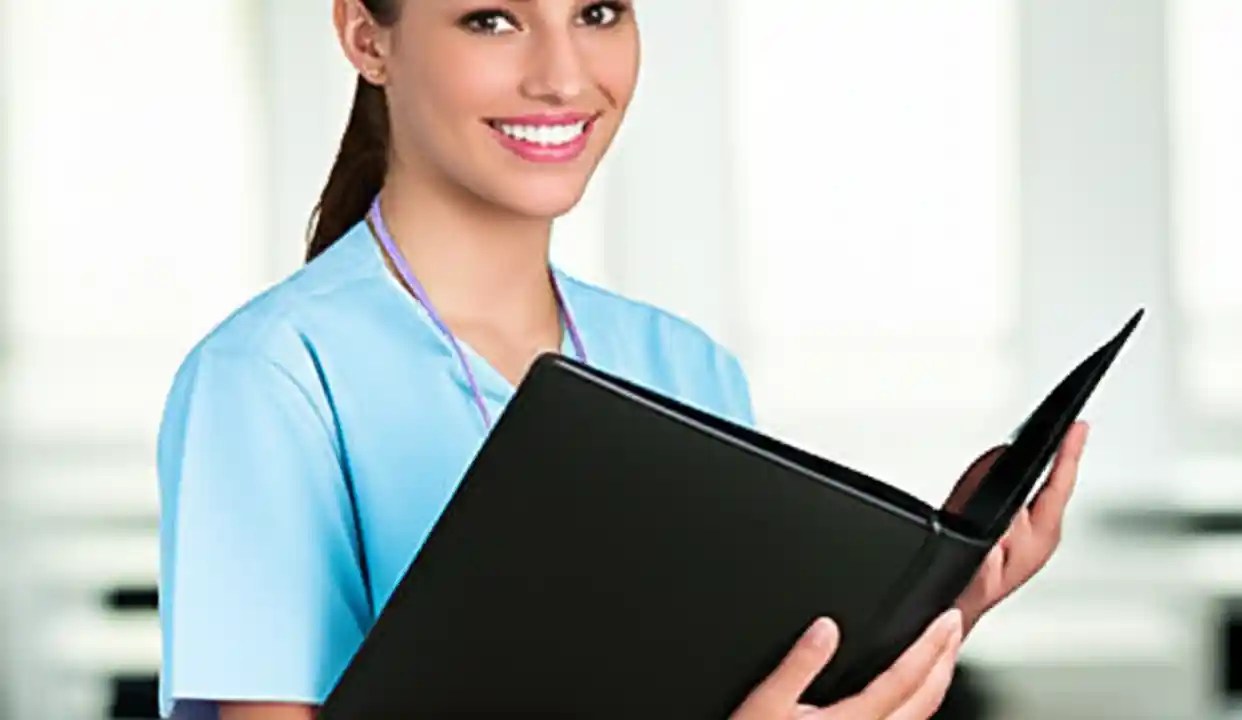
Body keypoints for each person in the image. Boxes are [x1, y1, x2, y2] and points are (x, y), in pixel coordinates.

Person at [155, 1, 1089, 718]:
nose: (563, 77)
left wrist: (928, 604)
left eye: (598, 11)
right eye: (493, 18)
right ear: (367, 37)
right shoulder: (270, 378)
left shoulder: (687, 367)